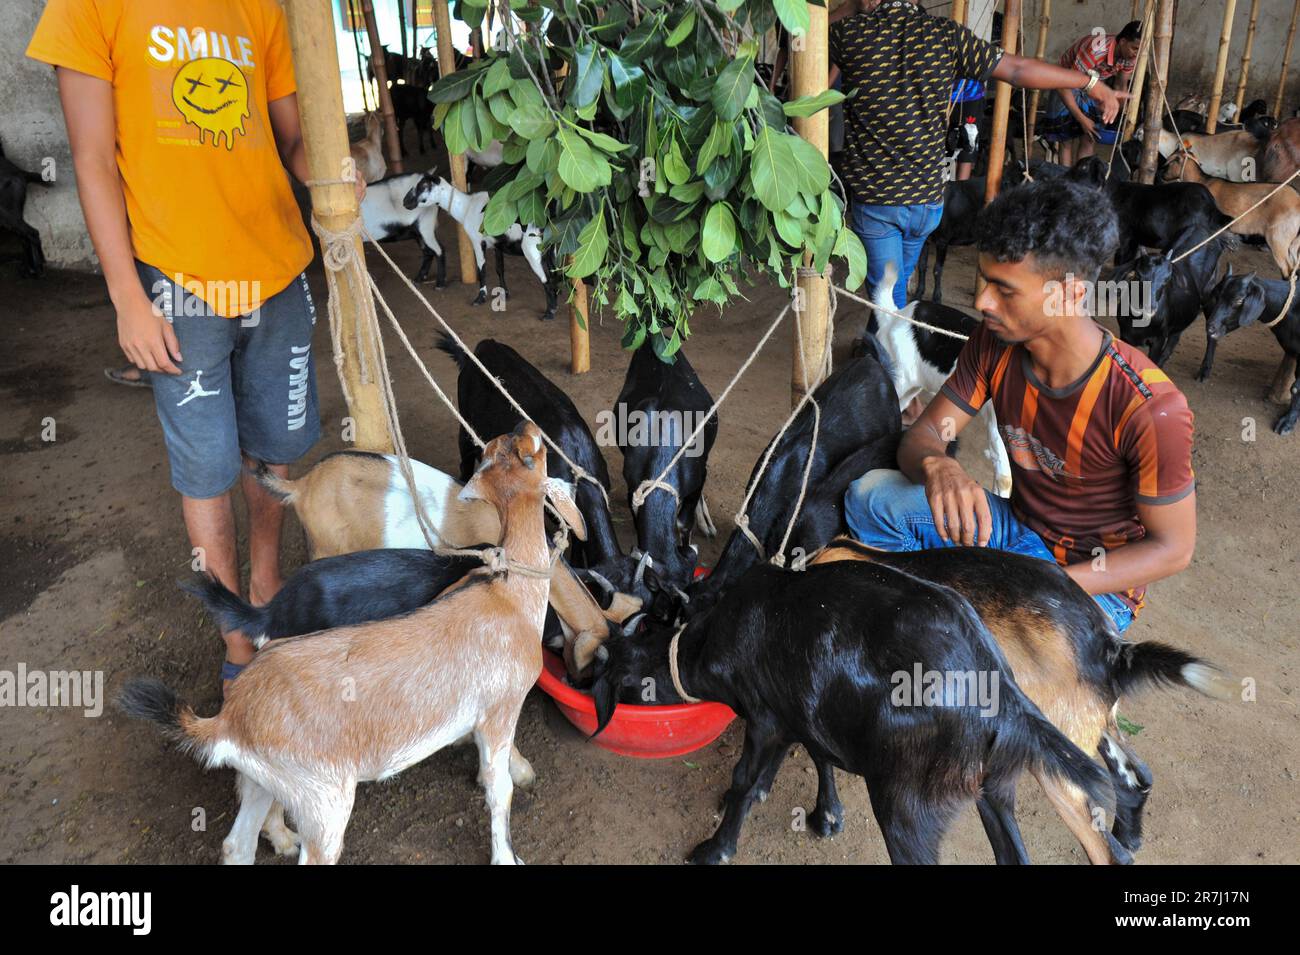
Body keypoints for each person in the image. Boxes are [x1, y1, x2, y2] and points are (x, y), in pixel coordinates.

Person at [27, 0, 364, 692]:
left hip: (276, 268)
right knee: (207, 468)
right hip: (177, 283)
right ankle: (238, 642)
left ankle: (266, 580)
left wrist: (337, 167)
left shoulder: (262, 9)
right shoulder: (88, 7)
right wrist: (126, 296)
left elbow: (295, 140)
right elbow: (90, 161)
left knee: (275, 446)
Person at [844, 180, 1196, 634]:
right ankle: (946, 606)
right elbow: (924, 436)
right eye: (984, 280)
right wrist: (938, 466)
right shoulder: (993, 344)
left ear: (1067, 294)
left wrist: (1041, 584)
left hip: (1095, 585)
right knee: (871, 497)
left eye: (1003, 290)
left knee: (991, 673)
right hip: (1012, 530)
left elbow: (1173, 548)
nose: (980, 302)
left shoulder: (1150, 407)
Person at [829, 0, 1124, 310]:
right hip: (927, 202)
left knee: (887, 302)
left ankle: (892, 354)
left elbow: (804, 28)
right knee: (896, 289)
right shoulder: (946, 35)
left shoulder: (849, 33)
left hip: (879, 200)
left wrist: (849, 8)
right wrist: (1089, 82)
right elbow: (1019, 69)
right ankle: (885, 345)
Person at [1042, 20, 1141, 167]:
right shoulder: (1096, 51)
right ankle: (1066, 182)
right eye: (1134, 48)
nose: (1136, 54)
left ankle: (1082, 181)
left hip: (1091, 86)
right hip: (1065, 83)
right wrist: (1082, 119)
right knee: (1066, 140)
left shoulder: (1129, 56)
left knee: (1090, 136)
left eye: (1139, 50)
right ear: (1123, 42)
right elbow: (1065, 85)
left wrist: (1118, 116)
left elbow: (1121, 85)